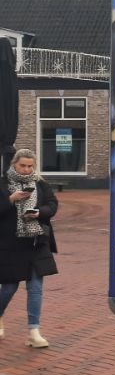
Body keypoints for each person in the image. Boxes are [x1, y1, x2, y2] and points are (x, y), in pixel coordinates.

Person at [0, 149, 58, 348]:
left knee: (35, 288)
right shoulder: (3, 183)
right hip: (10, 245)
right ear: (14, 164)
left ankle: (34, 331)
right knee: (9, 287)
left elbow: (52, 205)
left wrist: (39, 212)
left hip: (36, 241)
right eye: (22, 165)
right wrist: (11, 199)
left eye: (30, 166)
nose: (26, 170)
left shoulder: (40, 183)